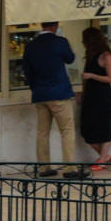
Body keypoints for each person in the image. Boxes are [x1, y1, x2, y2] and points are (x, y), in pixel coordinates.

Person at [21, 21, 84, 178]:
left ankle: (44, 168)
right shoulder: (59, 42)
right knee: (67, 130)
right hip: (59, 93)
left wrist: (36, 89)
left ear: (42, 25)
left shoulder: (31, 46)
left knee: (42, 133)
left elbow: (27, 71)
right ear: (55, 26)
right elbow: (70, 59)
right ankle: (70, 169)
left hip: (40, 94)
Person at [79, 26, 111, 172]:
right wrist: (82, 92)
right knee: (87, 130)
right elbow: (84, 76)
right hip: (90, 96)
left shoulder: (105, 55)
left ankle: (102, 159)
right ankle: (105, 156)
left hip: (103, 96)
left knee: (104, 127)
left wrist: (92, 76)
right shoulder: (90, 56)